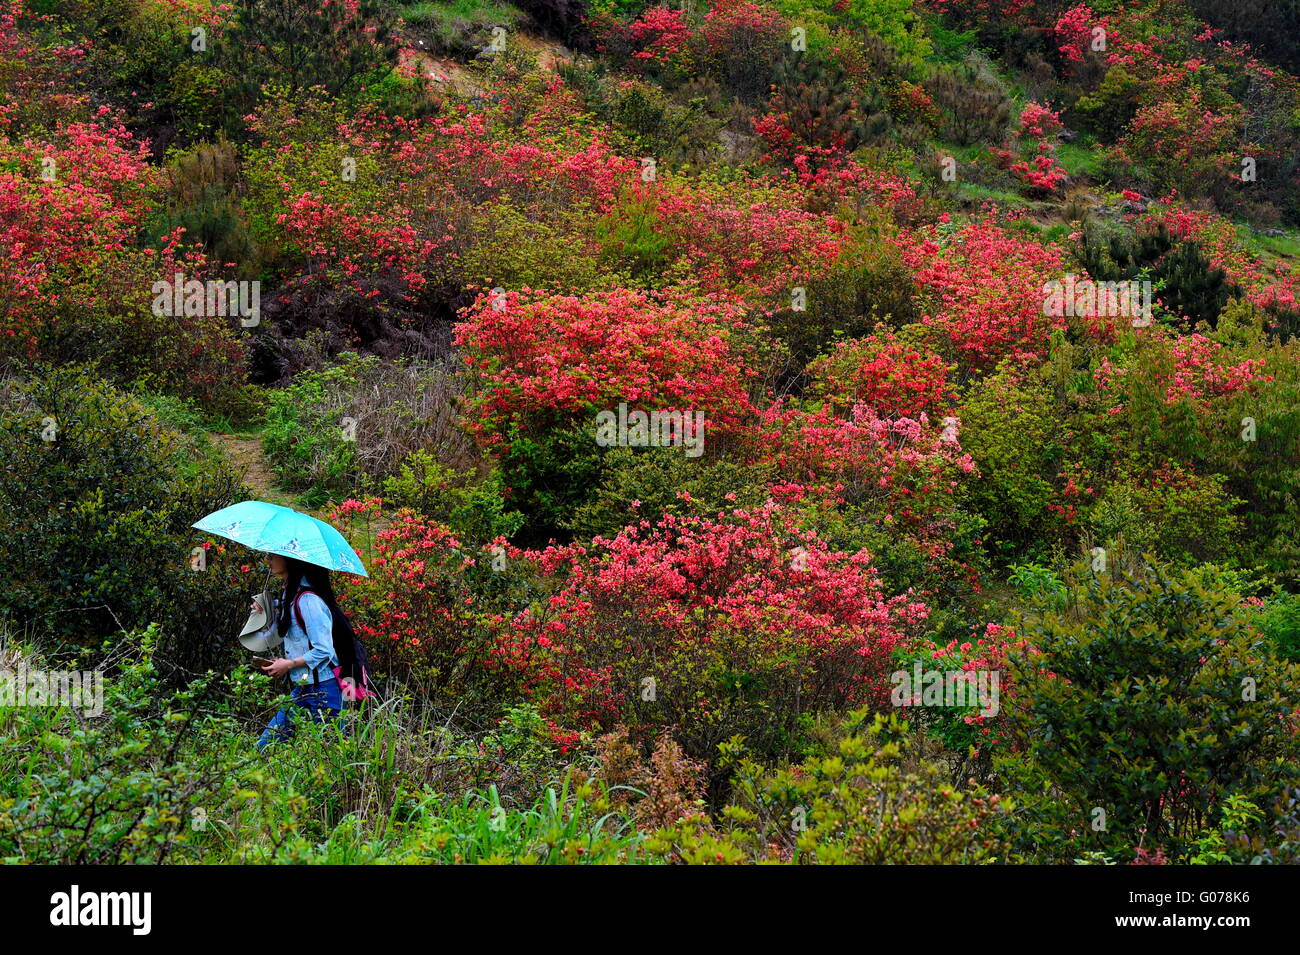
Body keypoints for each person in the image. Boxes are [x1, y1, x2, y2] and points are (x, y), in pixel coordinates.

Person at [254, 553, 348, 751]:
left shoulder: (308, 601)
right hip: (304, 688)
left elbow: (324, 650)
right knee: (265, 746)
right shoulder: (290, 595)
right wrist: (265, 611)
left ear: (289, 560)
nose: (268, 560)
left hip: (325, 690)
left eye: (272, 556)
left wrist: (288, 664)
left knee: (330, 757)